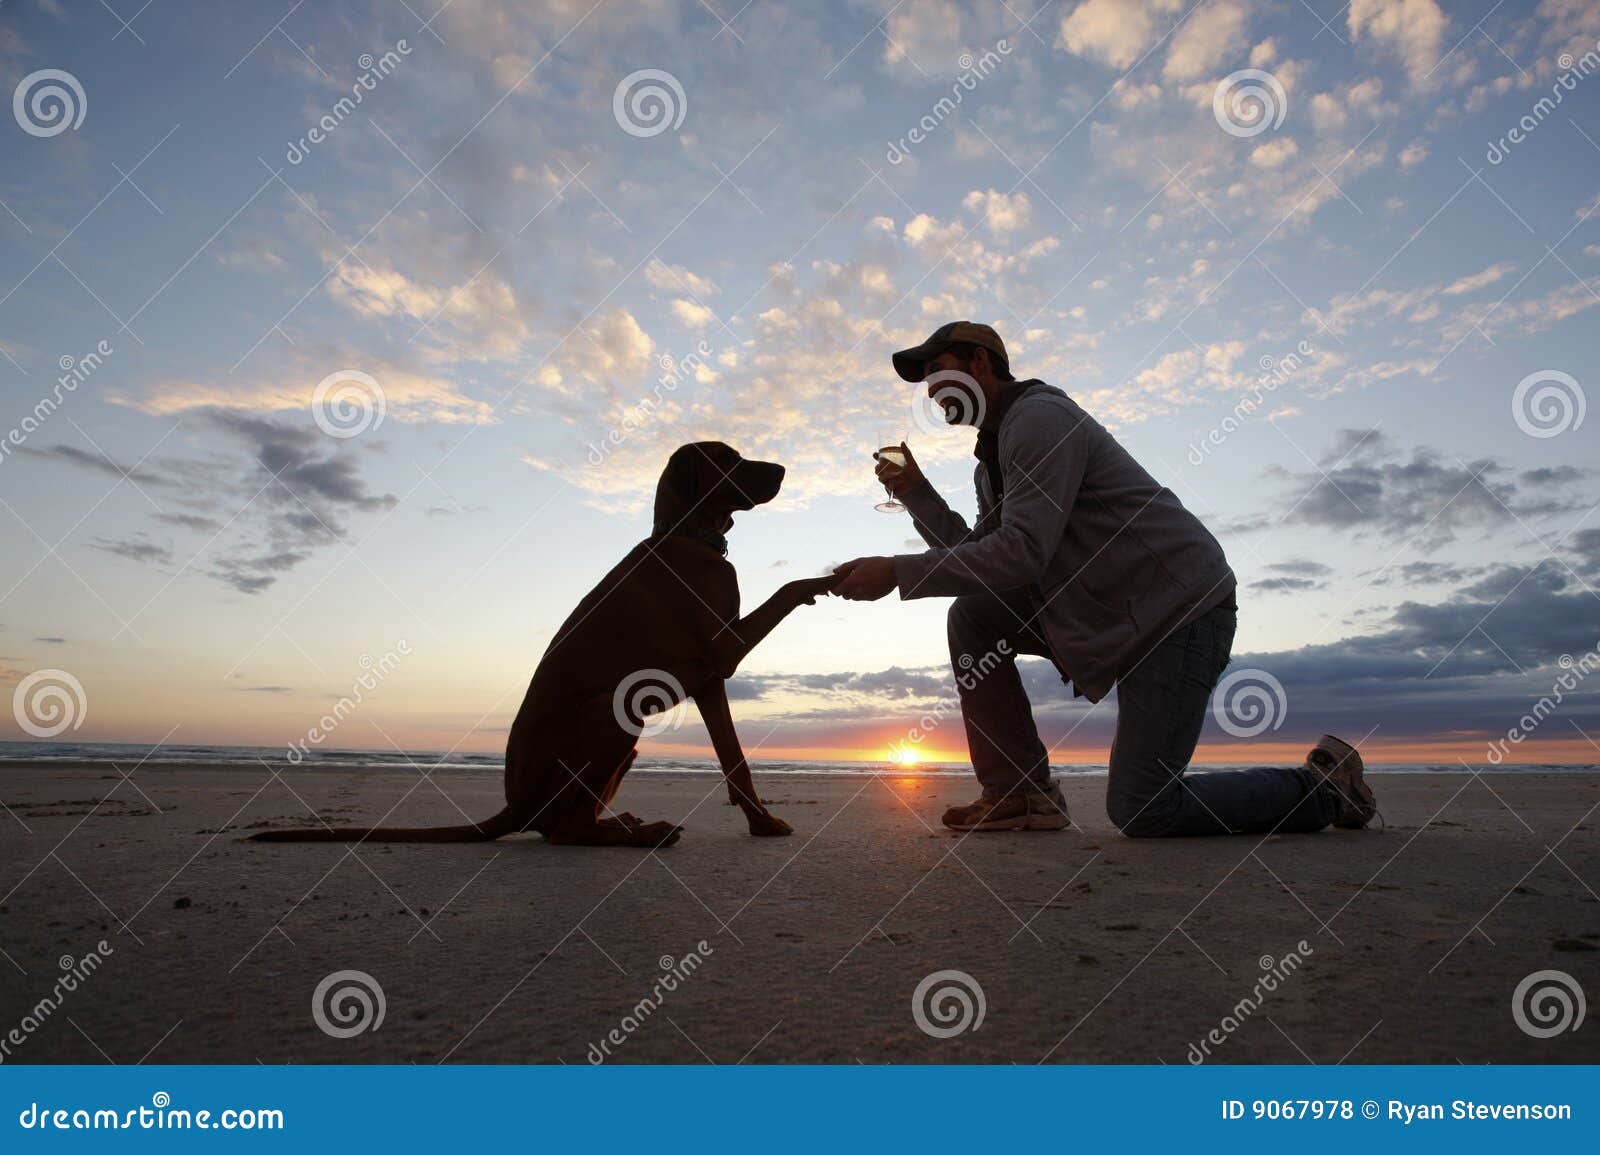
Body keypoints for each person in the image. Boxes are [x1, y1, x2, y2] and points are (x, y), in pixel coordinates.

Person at [831, 321, 1376, 836]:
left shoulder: (1039, 420)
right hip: (1108, 614)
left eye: (939, 370)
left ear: (980, 362)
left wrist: (897, 572)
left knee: (1143, 809)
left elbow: (1020, 554)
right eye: (924, 380)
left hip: (1177, 614)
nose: (930, 390)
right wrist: (916, 493)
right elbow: (981, 560)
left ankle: (1324, 789)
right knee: (974, 615)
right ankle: (1022, 794)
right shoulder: (991, 461)